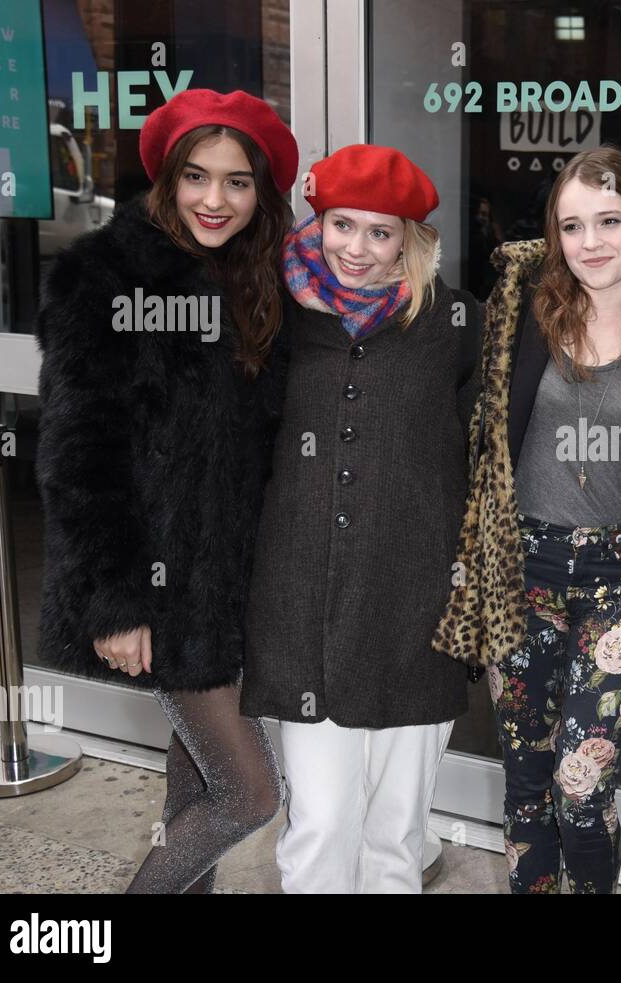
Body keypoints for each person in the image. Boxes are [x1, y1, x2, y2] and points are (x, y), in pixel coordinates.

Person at [35, 88, 298, 893]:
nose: (215, 199)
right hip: (157, 584)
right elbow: (78, 450)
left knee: (198, 789)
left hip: (227, 581)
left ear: (261, 193)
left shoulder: (253, 279)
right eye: (196, 177)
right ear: (165, 181)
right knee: (251, 793)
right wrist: (115, 597)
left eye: (237, 182)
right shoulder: (105, 274)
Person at [434, 145, 621, 893]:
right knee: (525, 783)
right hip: (525, 569)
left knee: (581, 790)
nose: (591, 242)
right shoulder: (523, 312)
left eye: (609, 220)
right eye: (572, 224)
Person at [240, 144, 480, 893]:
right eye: (343, 225)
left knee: (396, 835)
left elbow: (485, 463)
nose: (358, 249)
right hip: (300, 611)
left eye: (382, 232)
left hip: (417, 613)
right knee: (319, 824)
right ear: (319, 222)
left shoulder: (454, 325)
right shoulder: (273, 319)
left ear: (411, 241)